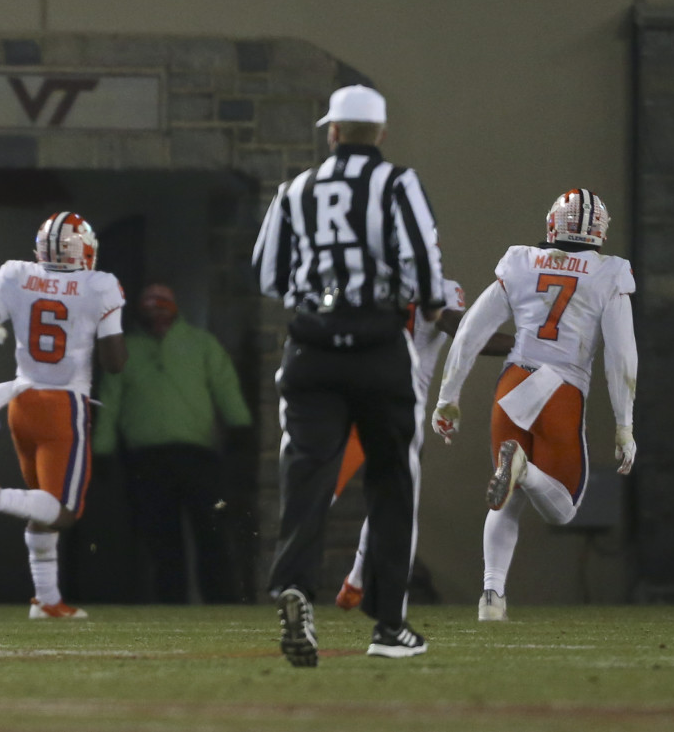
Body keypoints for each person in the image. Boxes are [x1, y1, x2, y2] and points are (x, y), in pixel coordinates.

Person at [251, 84, 444, 665]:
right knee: (391, 482)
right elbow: (425, 267)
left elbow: (268, 274)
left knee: (306, 476)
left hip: (311, 348)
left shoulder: (295, 190)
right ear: (380, 133)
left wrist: (316, 299)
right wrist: (417, 300)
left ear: (332, 132)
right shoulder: (396, 182)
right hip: (377, 345)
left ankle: (294, 585)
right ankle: (388, 624)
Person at [431, 188, 637, 622]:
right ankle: (523, 469)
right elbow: (621, 356)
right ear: (600, 231)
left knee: (506, 500)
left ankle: (491, 597)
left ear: (552, 224)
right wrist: (624, 423)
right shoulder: (608, 273)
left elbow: (470, 331)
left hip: (512, 384)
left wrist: (448, 397)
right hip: (560, 388)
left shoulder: (522, 262)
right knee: (562, 509)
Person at [0, 212, 127, 619]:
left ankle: (47, 600)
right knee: (64, 511)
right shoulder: (100, 285)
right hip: (63, 406)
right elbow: (115, 363)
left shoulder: (17, 276)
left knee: (41, 508)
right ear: (84, 250)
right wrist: (107, 317)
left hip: (22, 404)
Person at [333, 280, 514, 610]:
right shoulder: (369, 278)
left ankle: (358, 581)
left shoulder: (433, 288)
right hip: (364, 403)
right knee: (345, 493)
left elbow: (460, 329)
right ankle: (350, 582)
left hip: (387, 407)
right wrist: (527, 345)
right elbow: (463, 331)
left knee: (390, 496)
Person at [91, 283, 252, 603]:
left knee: (212, 533)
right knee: (161, 541)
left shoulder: (201, 344)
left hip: (198, 455)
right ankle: (171, 606)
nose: (157, 315)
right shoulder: (126, 350)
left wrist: (239, 423)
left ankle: (222, 604)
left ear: (174, 309)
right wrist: (102, 449)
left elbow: (224, 384)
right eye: (150, 308)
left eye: (163, 307)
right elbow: (110, 401)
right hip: (146, 460)